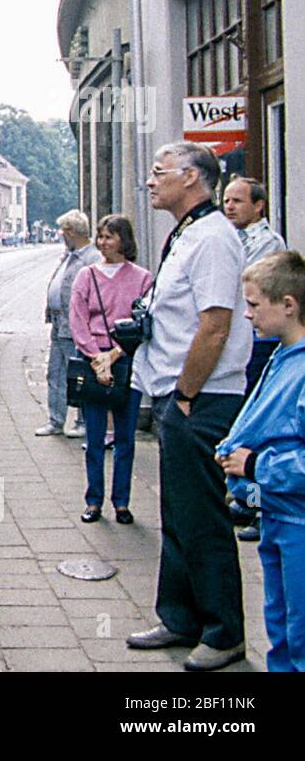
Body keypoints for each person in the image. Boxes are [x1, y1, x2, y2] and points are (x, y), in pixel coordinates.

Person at [126, 142, 253, 671]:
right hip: (180, 395)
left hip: (202, 399)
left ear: (194, 179)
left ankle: (225, 633)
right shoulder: (187, 234)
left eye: (160, 173)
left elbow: (216, 324)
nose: (151, 181)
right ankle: (179, 616)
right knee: (177, 512)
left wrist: (183, 395)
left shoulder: (214, 239)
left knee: (202, 517)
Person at [216, 251, 305, 672]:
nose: (246, 314)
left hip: (298, 522)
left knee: (300, 632)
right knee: (282, 627)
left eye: (254, 304)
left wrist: (255, 467)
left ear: (288, 305)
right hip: (279, 514)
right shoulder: (283, 356)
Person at [69, 215, 152, 524]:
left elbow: (143, 322)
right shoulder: (86, 276)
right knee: (93, 435)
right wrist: (95, 357)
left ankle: (122, 501)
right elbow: (78, 320)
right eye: (100, 236)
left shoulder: (142, 279)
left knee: (125, 436)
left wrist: (115, 355)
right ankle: (93, 500)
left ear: (124, 240)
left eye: (110, 237)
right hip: (93, 362)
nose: (103, 242)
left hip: (126, 359)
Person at [223, 177, 287, 542]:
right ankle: (247, 500)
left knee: (260, 430)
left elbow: (242, 284)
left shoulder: (266, 242)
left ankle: (262, 509)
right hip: (244, 341)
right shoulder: (235, 238)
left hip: (259, 343)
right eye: (227, 201)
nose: (229, 207)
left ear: (258, 206)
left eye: (238, 201)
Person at [36, 209, 100, 438]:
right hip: (58, 323)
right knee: (55, 373)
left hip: (76, 328)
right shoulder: (69, 255)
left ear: (72, 232)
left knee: (78, 376)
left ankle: (82, 422)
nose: (62, 235)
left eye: (64, 231)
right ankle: (56, 420)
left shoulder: (92, 258)